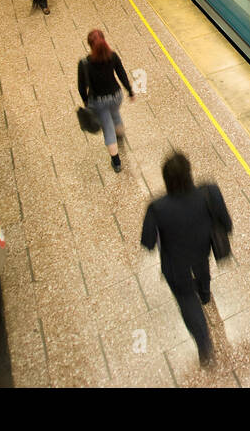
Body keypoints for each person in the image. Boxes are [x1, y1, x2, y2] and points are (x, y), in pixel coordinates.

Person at [140, 152, 232, 366]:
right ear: (190, 174)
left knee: (186, 300)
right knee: (202, 269)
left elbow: (148, 242)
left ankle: (204, 345)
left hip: (175, 266)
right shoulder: (209, 192)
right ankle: (206, 294)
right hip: (202, 251)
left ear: (166, 180)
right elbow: (226, 224)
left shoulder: (157, 208)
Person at [77, 29, 135, 172]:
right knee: (115, 114)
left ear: (90, 45)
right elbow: (121, 74)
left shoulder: (84, 63)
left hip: (98, 101)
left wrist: (86, 101)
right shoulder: (112, 56)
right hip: (116, 96)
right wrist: (130, 91)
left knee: (108, 128)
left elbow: (81, 87)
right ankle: (120, 135)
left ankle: (116, 162)